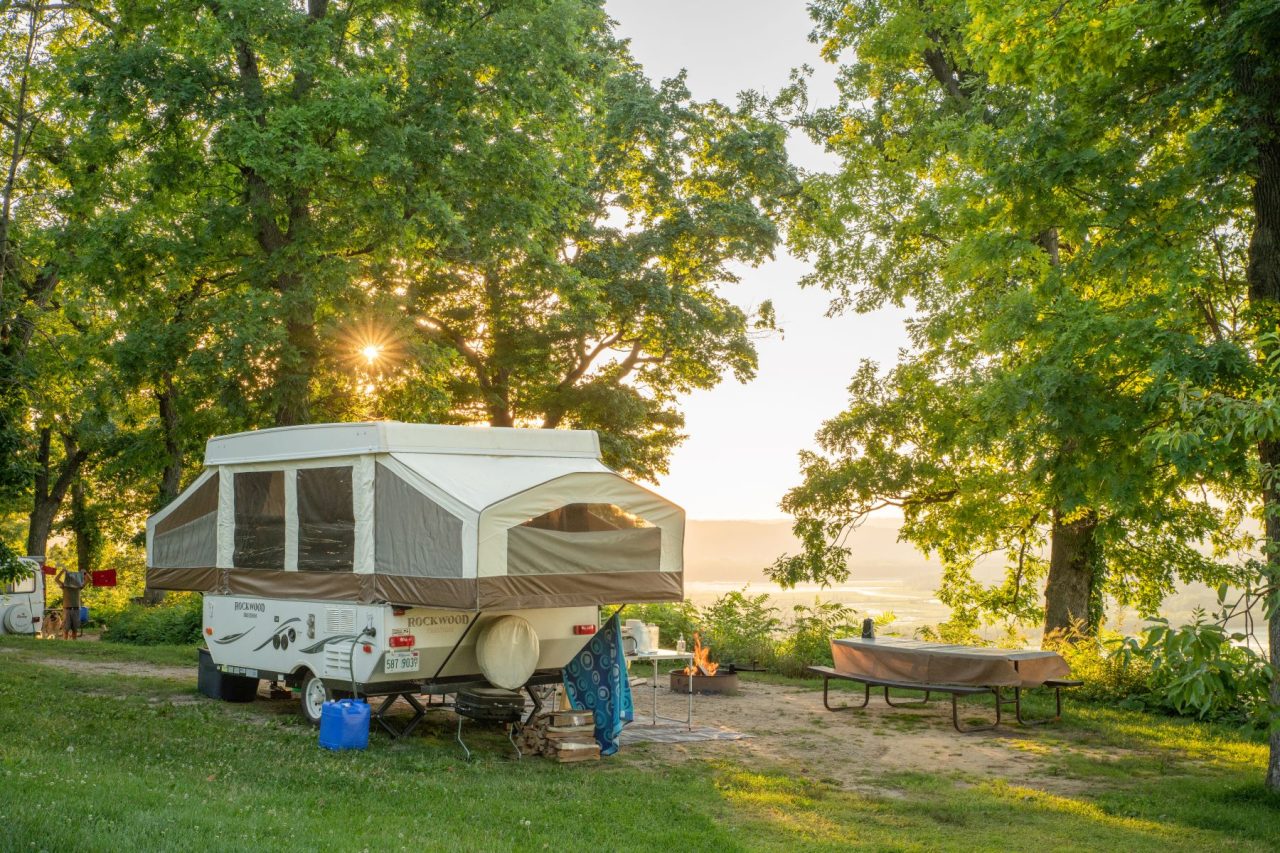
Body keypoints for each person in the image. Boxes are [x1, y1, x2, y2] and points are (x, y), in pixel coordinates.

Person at [54, 567, 87, 640]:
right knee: (66, 629)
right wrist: (62, 571)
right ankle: (65, 643)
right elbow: (56, 579)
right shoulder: (64, 586)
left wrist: (85, 573)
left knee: (75, 630)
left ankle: (74, 643)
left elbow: (89, 580)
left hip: (76, 609)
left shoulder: (79, 586)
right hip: (67, 609)